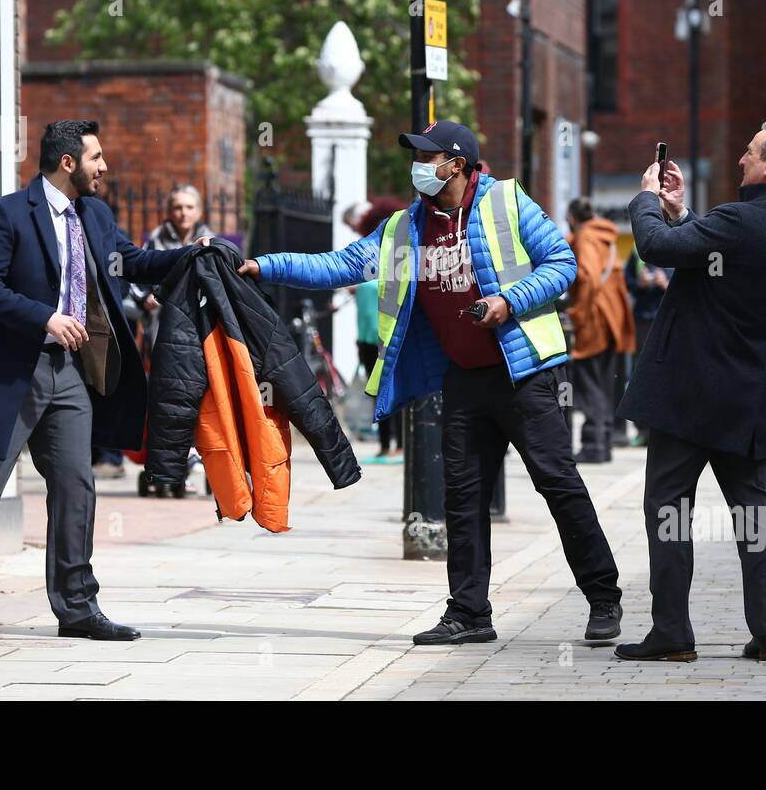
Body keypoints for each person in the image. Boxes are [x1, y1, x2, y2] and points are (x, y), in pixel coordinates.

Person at [237, 121, 623, 645]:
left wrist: (509, 301)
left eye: (428, 156)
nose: (418, 165)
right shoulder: (404, 229)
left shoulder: (506, 202)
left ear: (456, 164)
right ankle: (468, 614)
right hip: (462, 377)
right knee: (461, 498)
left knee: (557, 483)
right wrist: (263, 266)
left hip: (524, 373)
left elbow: (562, 264)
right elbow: (341, 264)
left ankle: (604, 598)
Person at [0, 120, 196, 642]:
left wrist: (194, 251)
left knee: (77, 485)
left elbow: (133, 261)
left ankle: (77, 608)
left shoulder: (95, 214)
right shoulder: (7, 215)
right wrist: (43, 317)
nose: (105, 167)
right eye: (97, 157)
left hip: (70, 374)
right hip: (12, 373)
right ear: (69, 162)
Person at [613, 122, 766, 663]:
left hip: (688, 392)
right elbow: (719, 256)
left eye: (750, 153)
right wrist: (682, 213)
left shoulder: (740, 219)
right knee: (755, 508)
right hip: (749, 391)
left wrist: (645, 201)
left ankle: (673, 633)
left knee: (668, 510)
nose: (741, 160)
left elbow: (657, 248)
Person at [565, 198, 635, 463]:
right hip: (612, 319)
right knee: (604, 383)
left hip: (595, 319)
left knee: (590, 384)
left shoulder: (585, 237)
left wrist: (576, 313)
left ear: (572, 218)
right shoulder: (605, 236)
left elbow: (588, 276)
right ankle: (603, 443)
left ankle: (593, 445)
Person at [346, 201, 404, 464]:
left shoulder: (395, 256)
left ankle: (400, 445)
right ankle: (383, 445)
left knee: (395, 393)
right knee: (377, 394)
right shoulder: (370, 256)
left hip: (388, 336)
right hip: (367, 337)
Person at [130, 183, 213, 352]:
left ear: (198, 211)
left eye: (189, 207)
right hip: (162, 323)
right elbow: (138, 274)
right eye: (178, 207)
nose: (184, 213)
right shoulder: (156, 240)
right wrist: (146, 298)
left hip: (200, 322)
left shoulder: (210, 241)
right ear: (169, 211)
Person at [623, 248, 672, 447]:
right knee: (641, 374)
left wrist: (666, 284)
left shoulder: (677, 243)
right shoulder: (637, 250)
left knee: (667, 374)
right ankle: (643, 430)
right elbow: (627, 282)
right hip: (643, 320)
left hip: (667, 318)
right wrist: (640, 284)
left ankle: (665, 430)